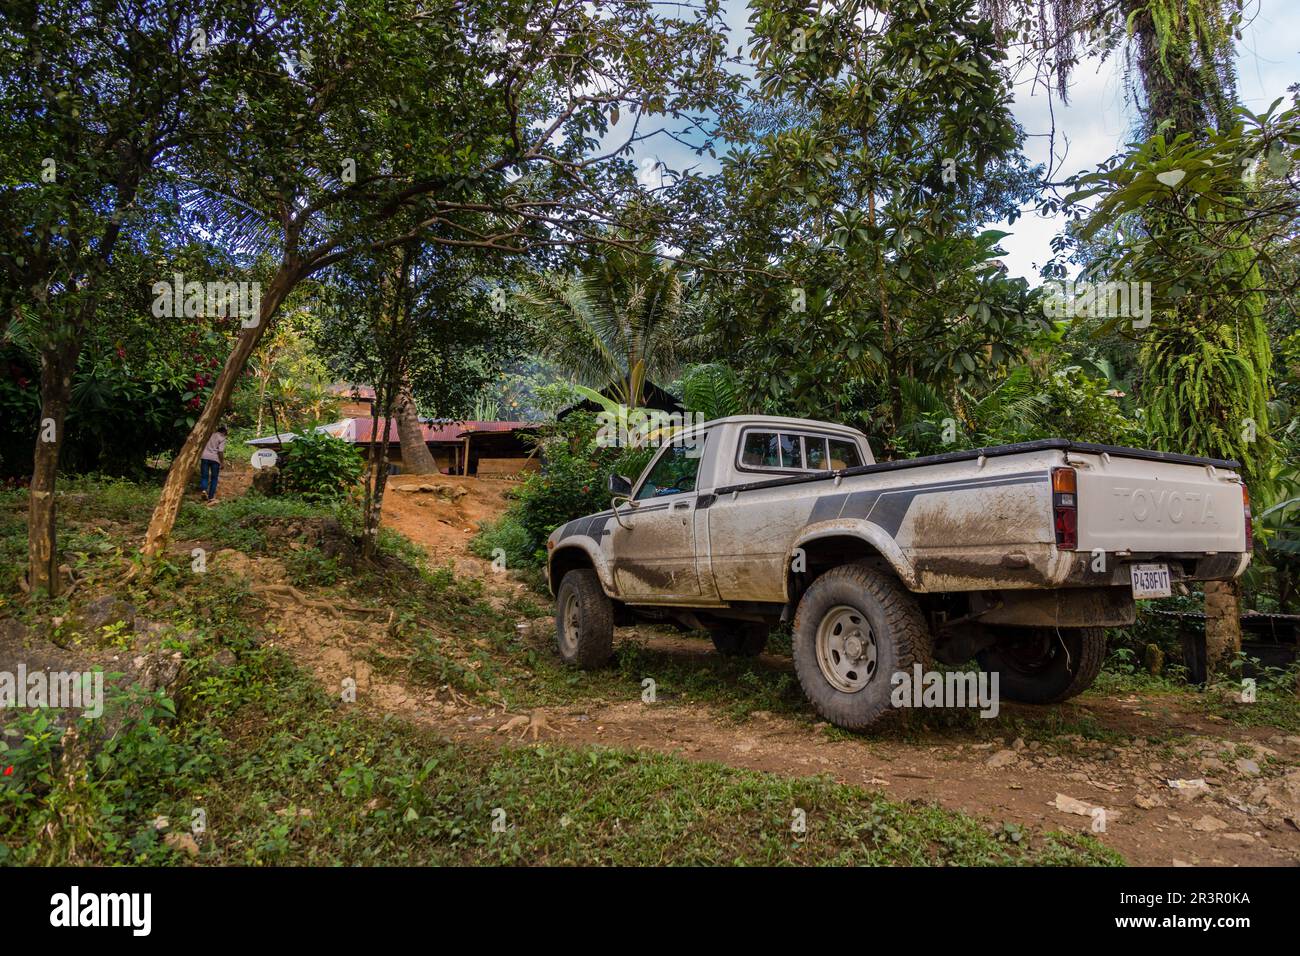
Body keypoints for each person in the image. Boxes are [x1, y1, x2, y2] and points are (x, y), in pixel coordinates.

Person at [199, 425, 227, 503]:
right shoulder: (223, 438)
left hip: (205, 457)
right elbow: (220, 451)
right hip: (215, 459)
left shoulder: (210, 434)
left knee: (204, 476)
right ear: (224, 432)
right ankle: (211, 497)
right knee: (214, 478)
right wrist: (222, 462)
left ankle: (204, 490)